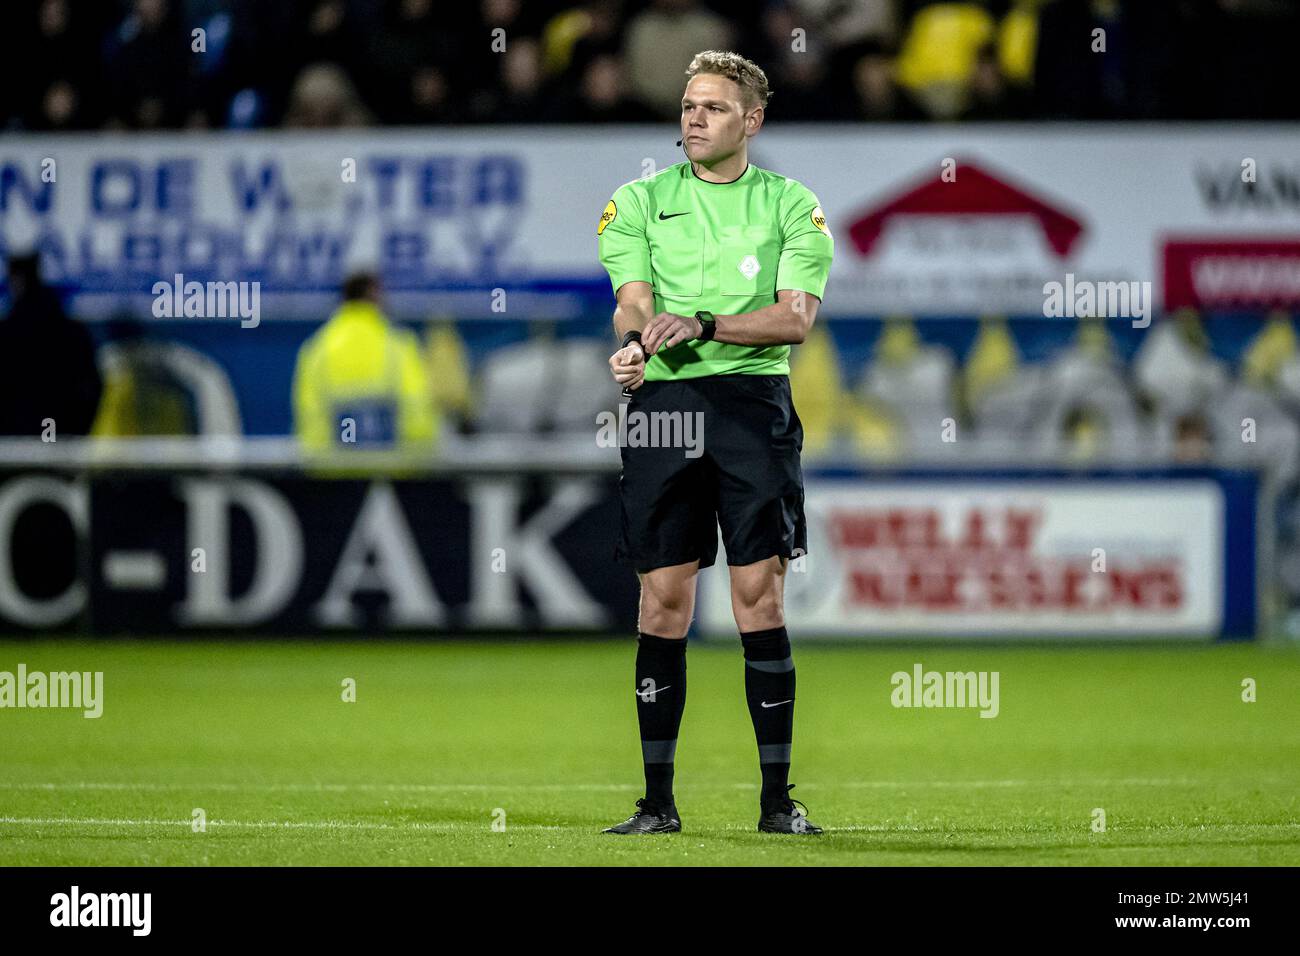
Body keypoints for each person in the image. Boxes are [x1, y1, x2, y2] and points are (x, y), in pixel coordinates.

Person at [596, 49, 833, 835]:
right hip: (664, 404)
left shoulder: (791, 207)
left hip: (750, 404)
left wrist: (704, 323)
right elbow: (632, 299)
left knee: (755, 595)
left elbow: (795, 318)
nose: (694, 118)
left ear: (751, 122)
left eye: (714, 107)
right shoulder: (637, 201)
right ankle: (656, 803)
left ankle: (777, 802)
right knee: (662, 601)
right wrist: (633, 344)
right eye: (689, 105)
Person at [292, 272, 437, 455]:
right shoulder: (398, 345)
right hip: (392, 465)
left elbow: (307, 415)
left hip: (333, 469)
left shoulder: (316, 349)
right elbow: (418, 411)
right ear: (374, 295)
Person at [0, 253, 102, 437]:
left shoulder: (8, 333)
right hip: (62, 441)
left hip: (15, 444)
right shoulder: (72, 332)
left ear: (16, 280)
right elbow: (90, 390)